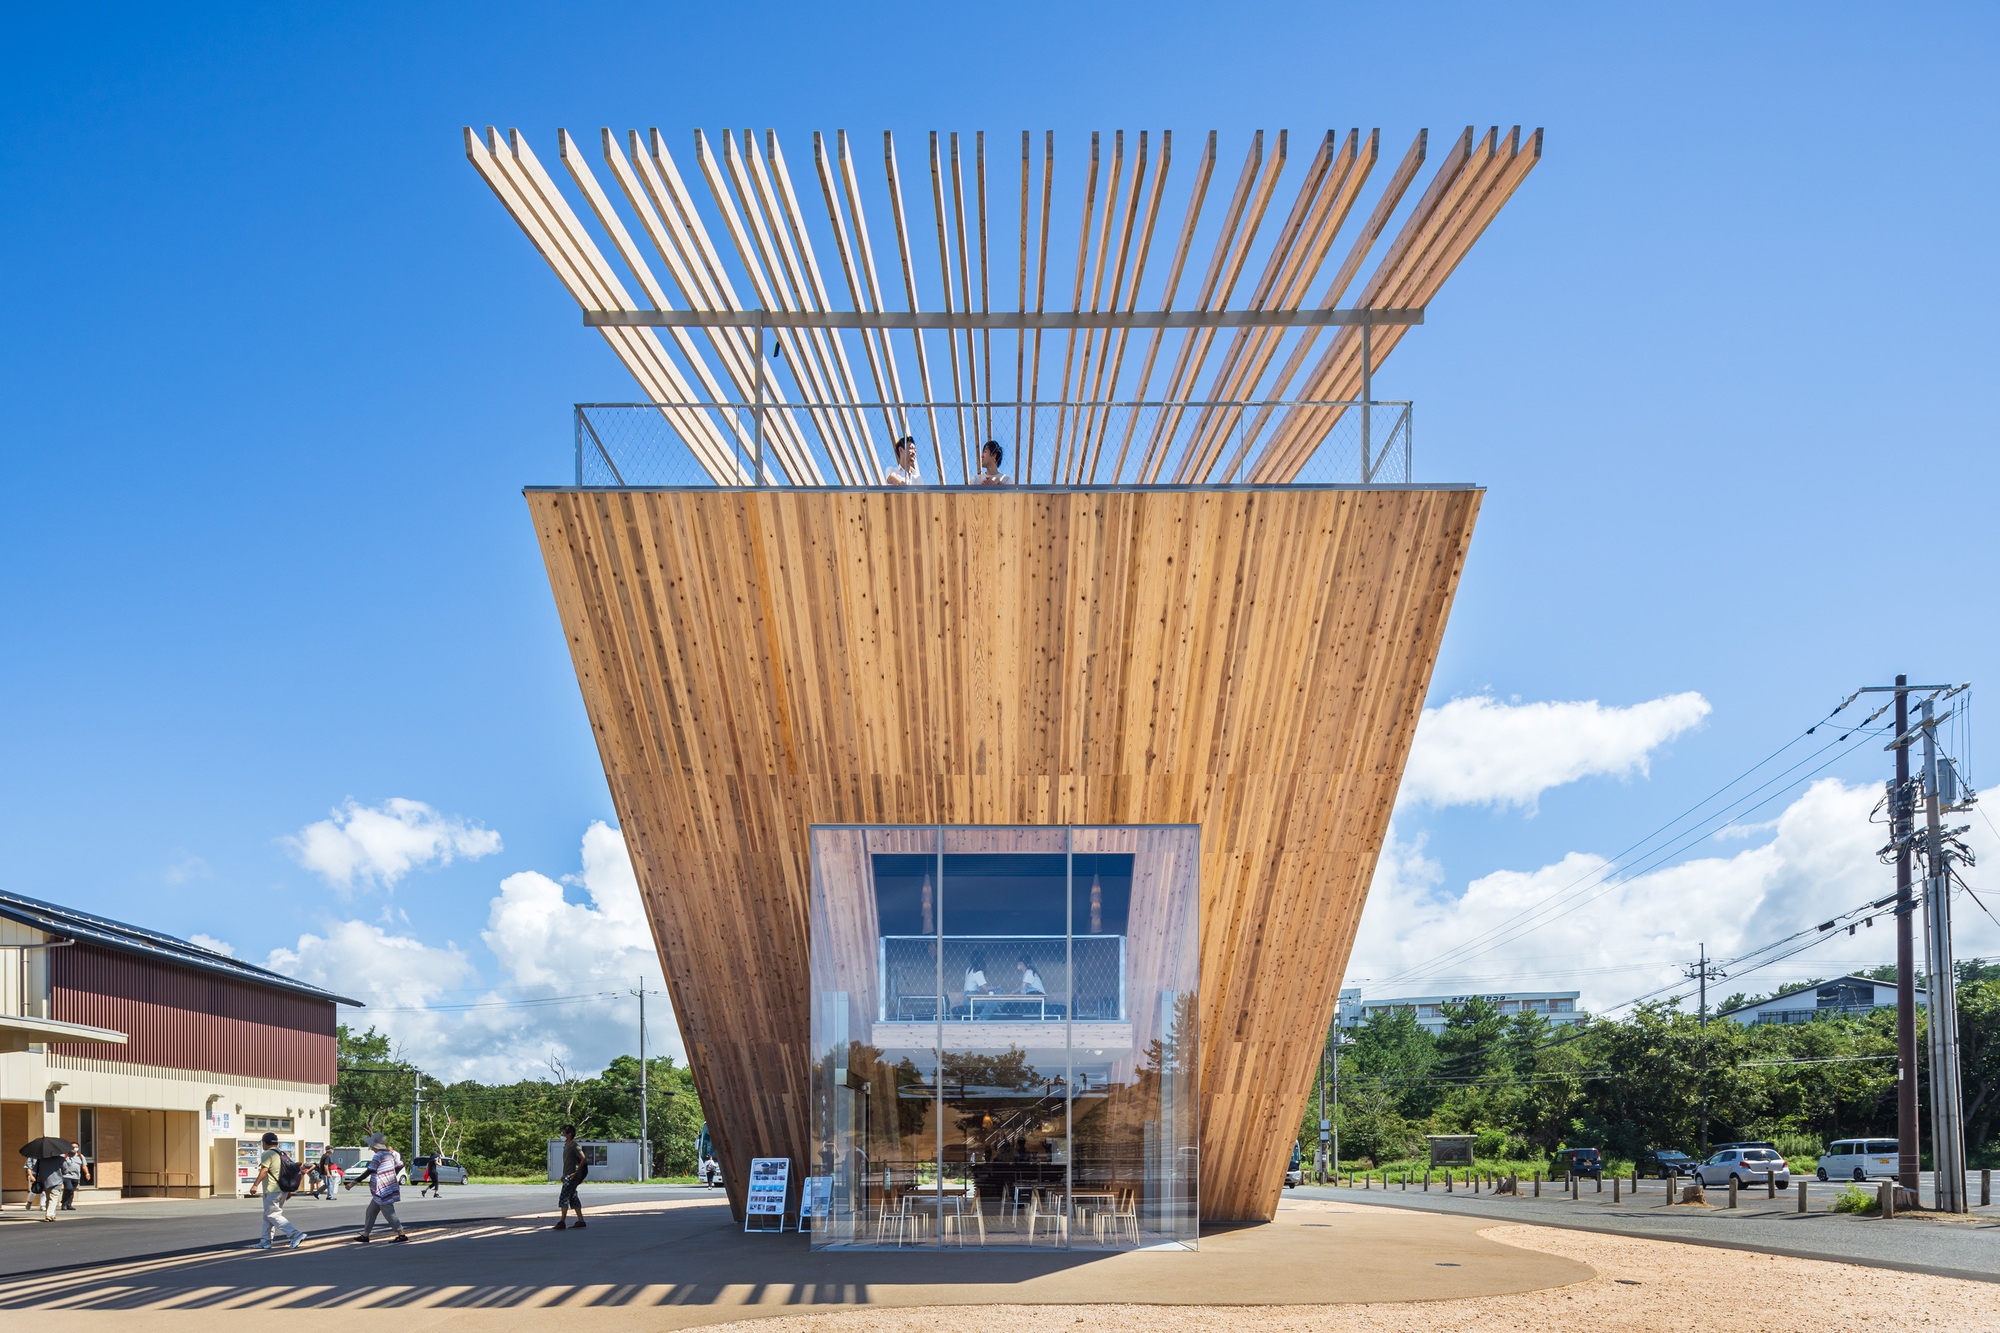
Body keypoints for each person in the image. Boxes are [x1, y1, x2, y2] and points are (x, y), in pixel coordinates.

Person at [344, 1132, 407, 1244]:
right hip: (385, 1189)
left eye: (371, 1146)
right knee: (370, 1211)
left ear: (374, 1146)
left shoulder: (378, 1156)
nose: (371, 1148)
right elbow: (400, 1165)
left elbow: (369, 1171)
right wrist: (391, 1175)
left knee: (389, 1213)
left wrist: (353, 1183)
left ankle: (401, 1234)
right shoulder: (390, 1155)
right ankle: (365, 1235)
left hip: (382, 1190)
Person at [249, 1131, 306, 1250]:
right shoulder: (282, 1153)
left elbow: (264, 1170)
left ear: (264, 1143)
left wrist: (255, 1185)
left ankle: (295, 1234)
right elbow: (288, 1172)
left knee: (272, 1214)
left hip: (272, 1189)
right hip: (283, 1189)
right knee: (268, 1216)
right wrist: (289, 1190)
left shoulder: (267, 1153)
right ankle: (265, 1241)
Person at [555, 1124, 587, 1230]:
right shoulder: (566, 1146)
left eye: (563, 1133)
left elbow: (583, 1159)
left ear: (569, 1134)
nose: (561, 1135)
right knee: (573, 1197)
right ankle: (581, 1220)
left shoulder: (574, 1146)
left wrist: (576, 1173)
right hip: (567, 1175)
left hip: (572, 1176)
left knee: (564, 1197)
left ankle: (562, 1222)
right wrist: (564, 1175)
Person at [31, 1152, 62, 1221]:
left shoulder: (41, 1159)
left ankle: (52, 1215)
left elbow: (34, 1170)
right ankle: (49, 1214)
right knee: (53, 1198)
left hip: (44, 1181)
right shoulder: (60, 1159)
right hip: (56, 1181)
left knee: (48, 1198)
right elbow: (65, 1170)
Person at [59, 1143, 90, 1210]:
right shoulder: (64, 1155)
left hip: (76, 1176)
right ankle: (64, 1203)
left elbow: (84, 1166)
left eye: (76, 1147)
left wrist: (87, 1173)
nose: (74, 1148)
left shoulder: (80, 1156)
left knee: (71, 1190)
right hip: (66, 1175)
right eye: (73, 1147)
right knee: (68, 1188)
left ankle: (69, 1204)